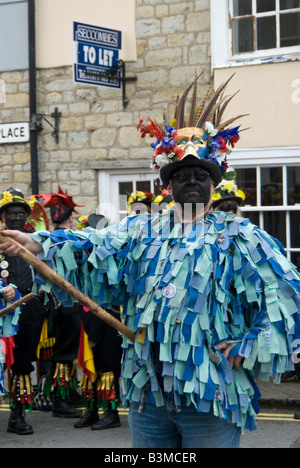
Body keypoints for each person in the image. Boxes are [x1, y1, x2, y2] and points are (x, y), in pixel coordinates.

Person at [1, 75, 300, 448]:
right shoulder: (140, 229)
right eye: (181, 176)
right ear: (168, 186)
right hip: (148, 395)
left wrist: (247, 346)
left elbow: (287, 295)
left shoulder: (241, 236)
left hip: (211, 394)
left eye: (199, 176)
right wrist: (37, 242)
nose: (191, 181)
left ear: (213, 184)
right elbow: (93, 245)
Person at [0, 187, 47, 435]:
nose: (16, 217)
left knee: (22, 363)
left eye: (20, 213)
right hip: (1, 311)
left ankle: (17, 416)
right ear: (3, 217)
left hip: (30, 308)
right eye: (11, 213)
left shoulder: (36, 240)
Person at [75, 213, 123, 430]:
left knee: (107, 369)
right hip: (87, 323)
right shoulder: (81, 264)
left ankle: (111, 414)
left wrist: (94, 335)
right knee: (90, 368)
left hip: (107, 327)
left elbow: (106, 304)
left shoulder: (108, 263)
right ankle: (92, 411)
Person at [39, 186, 83, 418]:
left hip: (63, 302)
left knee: (68, 349)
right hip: (64, 303)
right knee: (65, 351)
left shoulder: (47, 239)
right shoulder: (65, 239)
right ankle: (60, 400)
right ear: (68, 217)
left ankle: (68, 393)